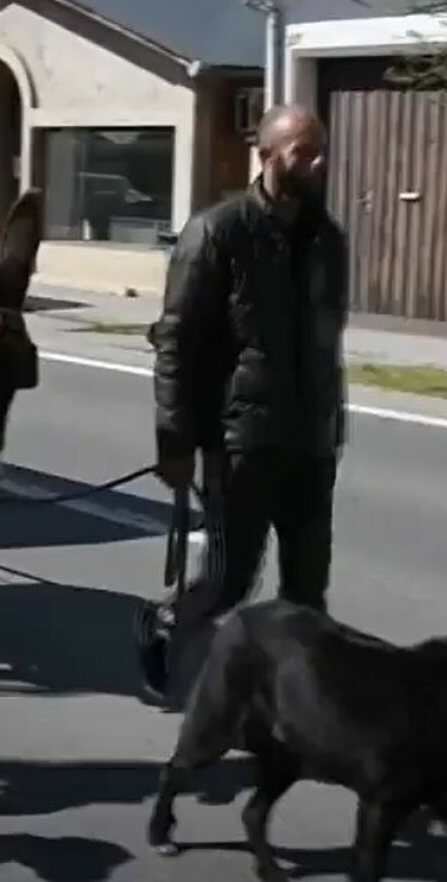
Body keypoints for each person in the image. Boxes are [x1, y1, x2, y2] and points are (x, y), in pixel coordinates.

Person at [148, 104, 349, 645]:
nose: (319, 162)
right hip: (240, 445)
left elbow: (329, 343)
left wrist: (333, 424)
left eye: (322, 150)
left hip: (311, 443)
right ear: (266, 157)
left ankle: (294, 705)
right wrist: (175, 441)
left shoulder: (328, 241)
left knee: (307, 594)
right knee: (228, 582)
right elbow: (176, 343)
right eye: (304, 151)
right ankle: (167, 629)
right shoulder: (216, 233)